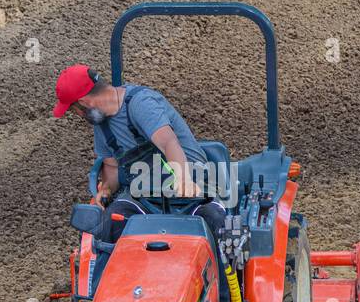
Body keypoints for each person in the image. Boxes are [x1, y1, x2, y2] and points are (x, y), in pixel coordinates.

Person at [53, 63, 229, 281]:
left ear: (84, 103)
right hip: (144, 195)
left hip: (191, 188)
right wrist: (106, 189)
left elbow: (168, 142)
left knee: (215, 223)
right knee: (111, 222)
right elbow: (112, 166)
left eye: (75, 110)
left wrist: (183, 180)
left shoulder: (140, 104)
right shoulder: (102, 124)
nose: (78, 115)